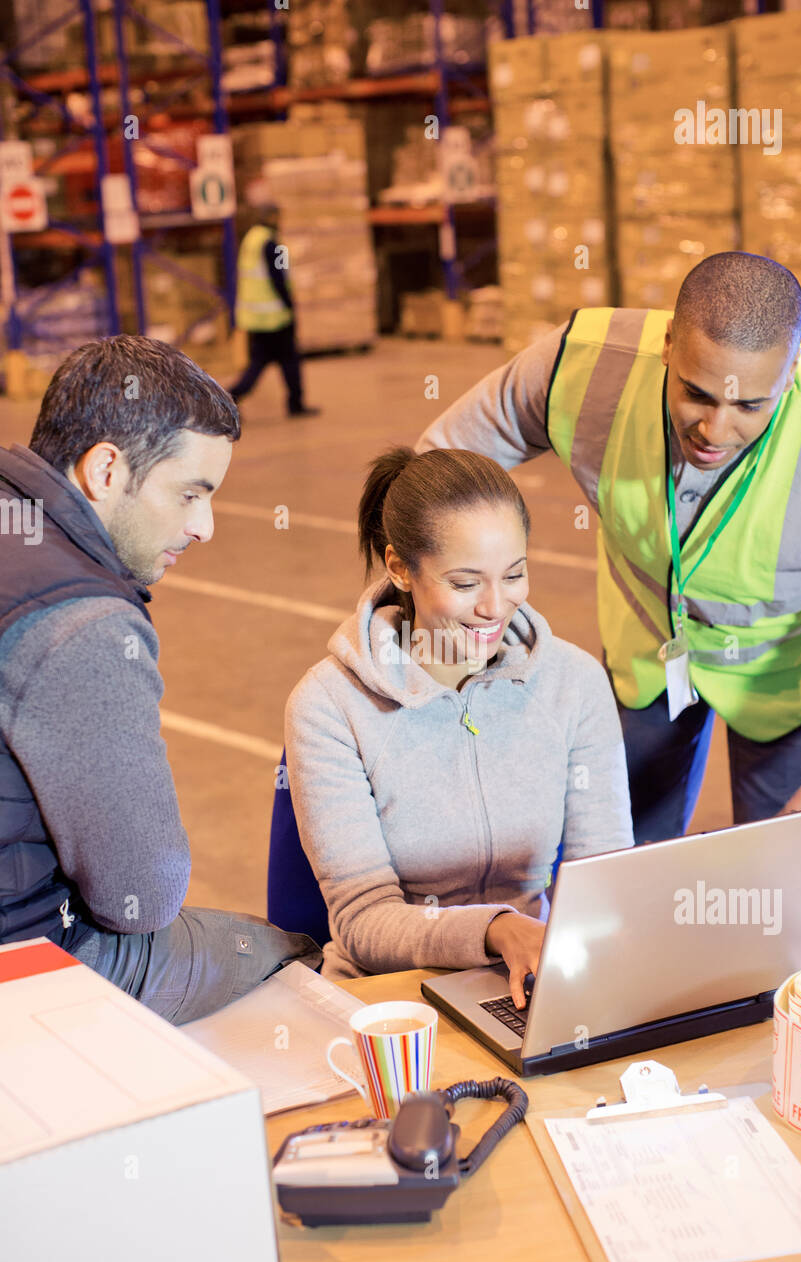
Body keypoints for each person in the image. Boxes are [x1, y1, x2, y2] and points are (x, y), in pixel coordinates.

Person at [414, 252, 801, 844]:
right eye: (697, 393)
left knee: (785, 879)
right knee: (623, 862)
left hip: (787, 671)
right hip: (648, 653)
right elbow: (436, 470)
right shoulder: (583, 364)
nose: (715, 430)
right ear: (669, 343)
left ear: (790, 372)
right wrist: (441, 620)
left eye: (750, 406)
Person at [0, 335, 321, 1021]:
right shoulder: (80, 623)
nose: (203, 527)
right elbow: (140, 892)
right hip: (24, 964)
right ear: (106, 470)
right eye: (188, 494)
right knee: (278, 952)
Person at [283, 446, 634, 1007]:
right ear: (400, 568)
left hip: (530, 979)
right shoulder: (328, 705)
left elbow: (606, 875)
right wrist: (495, 929)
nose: (497, 607)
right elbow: (363, 920)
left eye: (514, 574)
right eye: (466, 583)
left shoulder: (575, 683)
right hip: (389, 998)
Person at [228, 203, 319, 419]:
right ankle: (295, 403)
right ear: (272, 217)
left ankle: (229, 398)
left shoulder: (251, 239)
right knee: (289, 361)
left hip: (257, 317)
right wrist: (289, 304)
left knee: (259, 364)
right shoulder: (272, 243)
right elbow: (280, 277)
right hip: (275, 317)